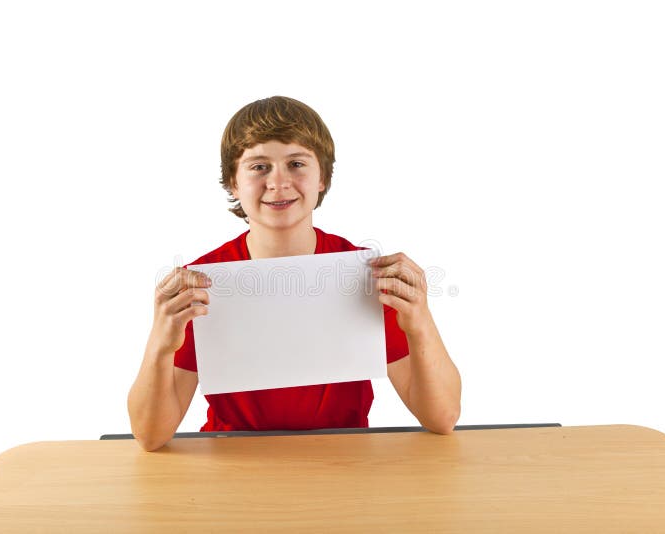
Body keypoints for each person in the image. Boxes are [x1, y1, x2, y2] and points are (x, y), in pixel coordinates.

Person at [127, 96, 462, 451]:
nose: (279, 182)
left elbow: (442, 417)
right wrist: (160, 345)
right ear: (233, 184)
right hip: (231, 461)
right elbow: (150, 436)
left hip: (344, 459)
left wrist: (421, 321)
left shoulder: (366, 277)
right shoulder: (202, 284)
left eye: (296, 163)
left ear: (322, 178)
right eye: (259, 167)